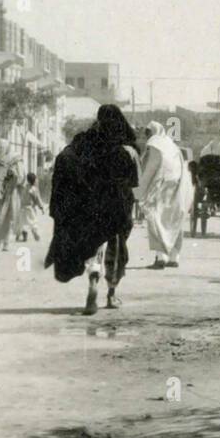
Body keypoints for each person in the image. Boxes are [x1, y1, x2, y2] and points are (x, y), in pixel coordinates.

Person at [46, 104, 140, 314]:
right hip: (118, 207)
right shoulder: (127, 147)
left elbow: (64, 160)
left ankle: (93, 283)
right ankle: (111, 293)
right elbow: (134, 182)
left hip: (91, 206)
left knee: (95, 247)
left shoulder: (85, 142)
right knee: (116, 250)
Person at [135, 120, 193, 268]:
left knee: (155, 218)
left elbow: (150, 169)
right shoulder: (172, 145)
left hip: (160, 187)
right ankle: (174, 257)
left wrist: (139, 189)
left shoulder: (154, 144)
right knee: (174, 220)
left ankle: (161, 258)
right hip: (176, 187)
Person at [0, 165, 22, 250]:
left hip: (10, 204)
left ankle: (5, 244)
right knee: (0, 222)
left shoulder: (14, 184)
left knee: (8, 223)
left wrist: (12, 169)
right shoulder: (5, 182)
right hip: (3, 203)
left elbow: (17, 177)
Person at [16, 172, 45, 242]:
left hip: (22, 208)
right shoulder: (34, 189)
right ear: (34, 181)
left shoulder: (25, 187)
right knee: (33, 222)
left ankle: (24, 237)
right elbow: (37, 199)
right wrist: (41, 207)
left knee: (22, 223)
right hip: (30, 208)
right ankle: (35, 232)